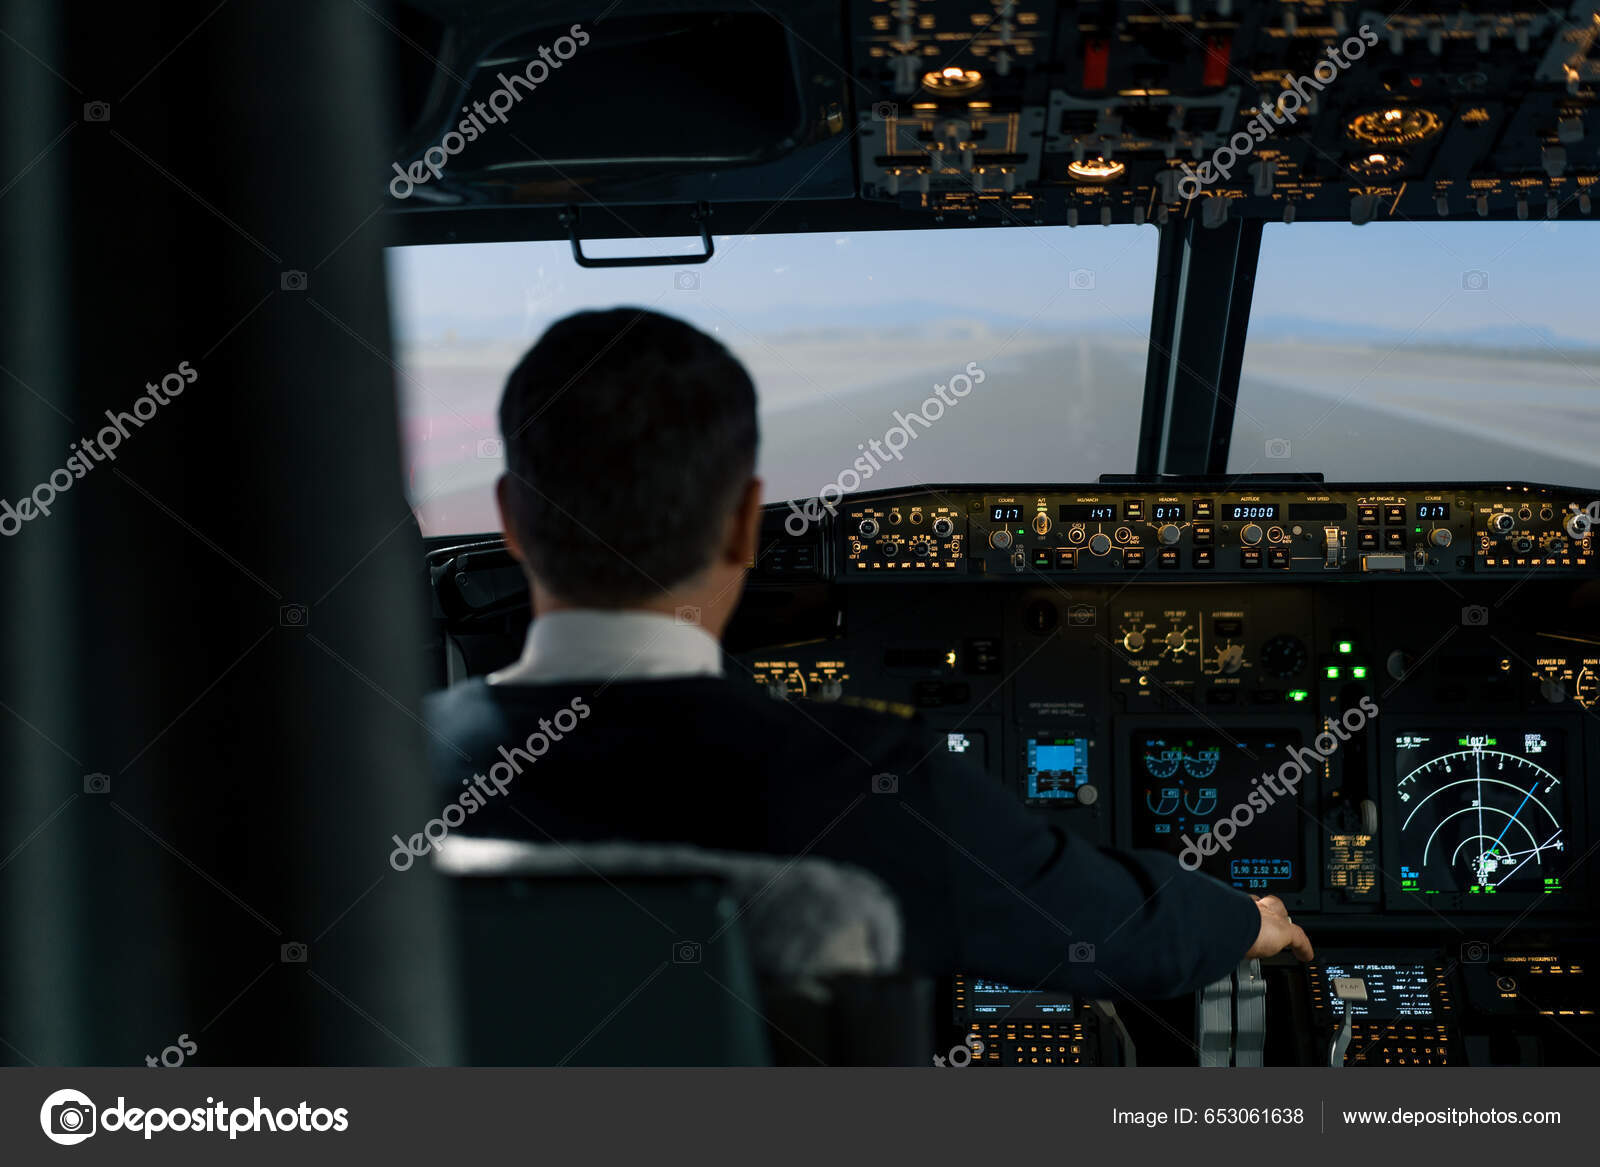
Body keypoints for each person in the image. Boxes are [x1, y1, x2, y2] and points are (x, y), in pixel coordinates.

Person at [424, 306, 1312, 1000]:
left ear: (508, 519)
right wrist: (1245, 920)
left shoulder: (360, 781)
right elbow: (1118, 933)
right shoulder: (871, 782)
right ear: (744, 522)